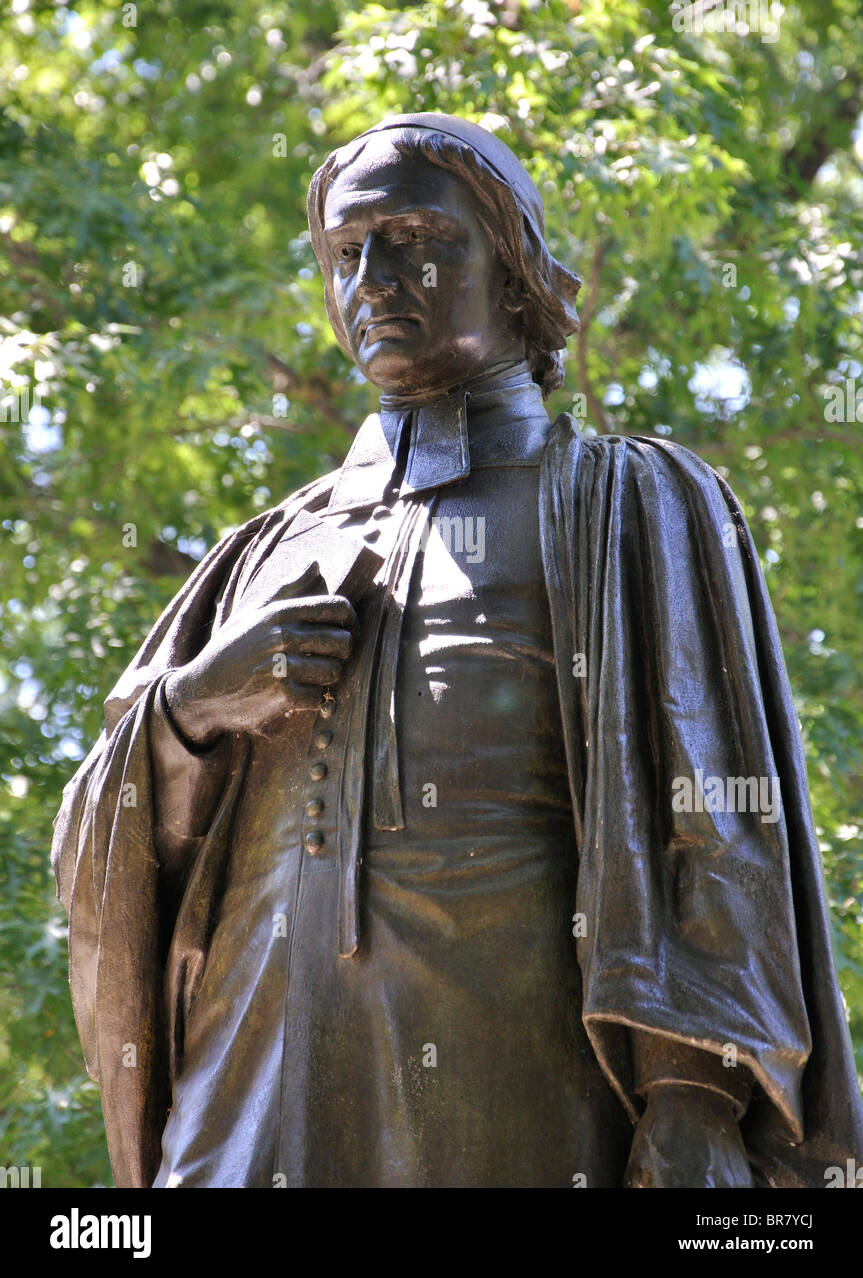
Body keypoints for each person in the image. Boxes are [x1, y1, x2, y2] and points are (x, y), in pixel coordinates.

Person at [53, 112, 863, 1188]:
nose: (375, 277)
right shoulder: (259, 550)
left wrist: (691, 1093)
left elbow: (716, 813)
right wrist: (191, 705)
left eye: (416, 240)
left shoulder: (626, 499)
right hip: (254, 1082)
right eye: (347, 253)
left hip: (526, 1075)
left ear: (514, 268)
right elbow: (94, 846)